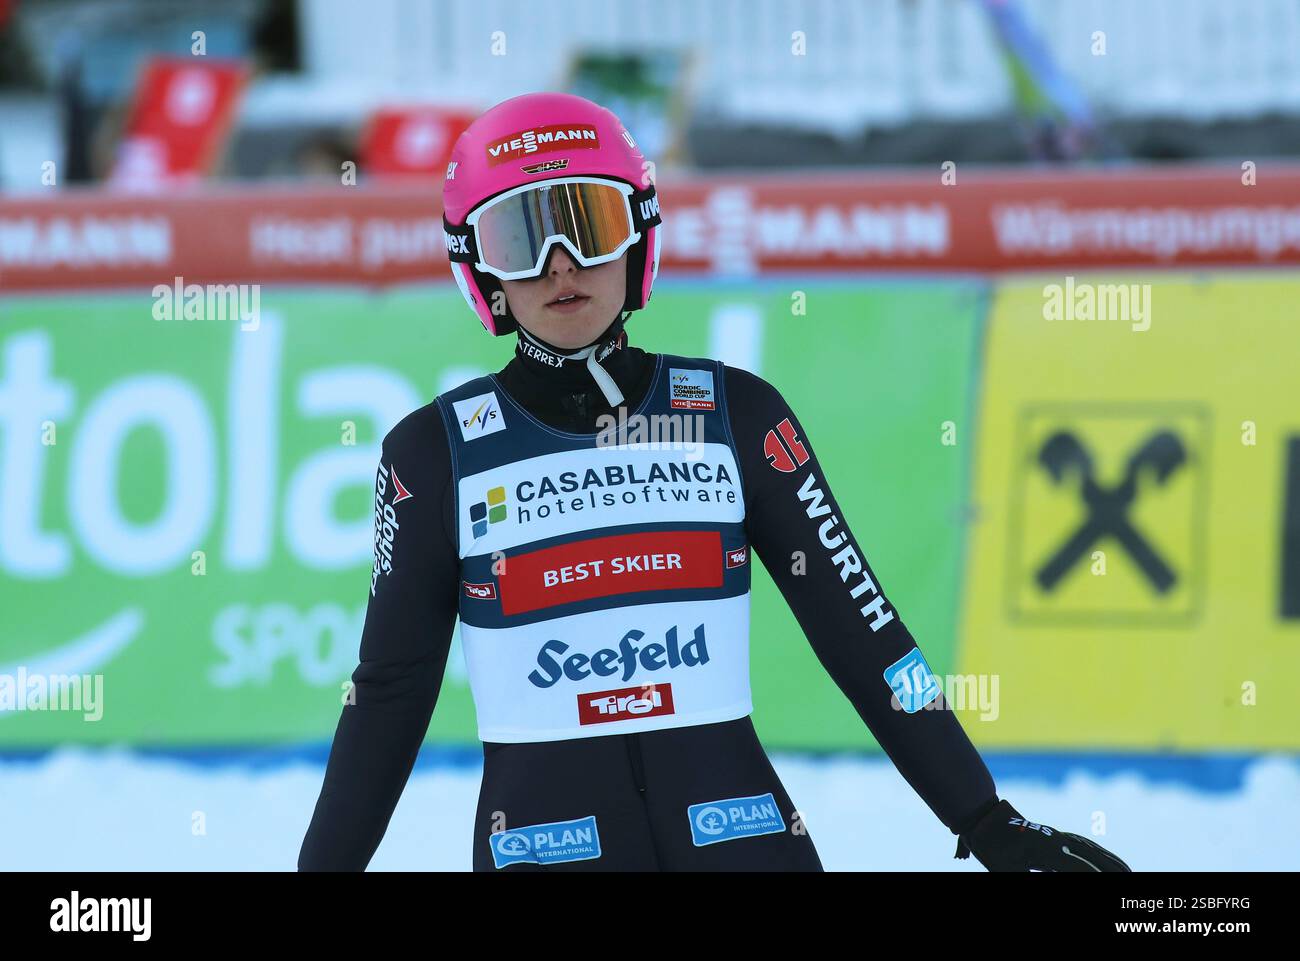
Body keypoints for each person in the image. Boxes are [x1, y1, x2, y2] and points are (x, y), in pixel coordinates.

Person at [298, 92, 1130, 872]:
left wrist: (983, 817)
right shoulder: (435, 453)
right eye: (522, 239)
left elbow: (864, 630)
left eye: (588, 224)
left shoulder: (736, 414)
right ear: (481, 272)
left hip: (744, 839)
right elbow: (389, 693)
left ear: (639, 239)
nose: (561, 266)